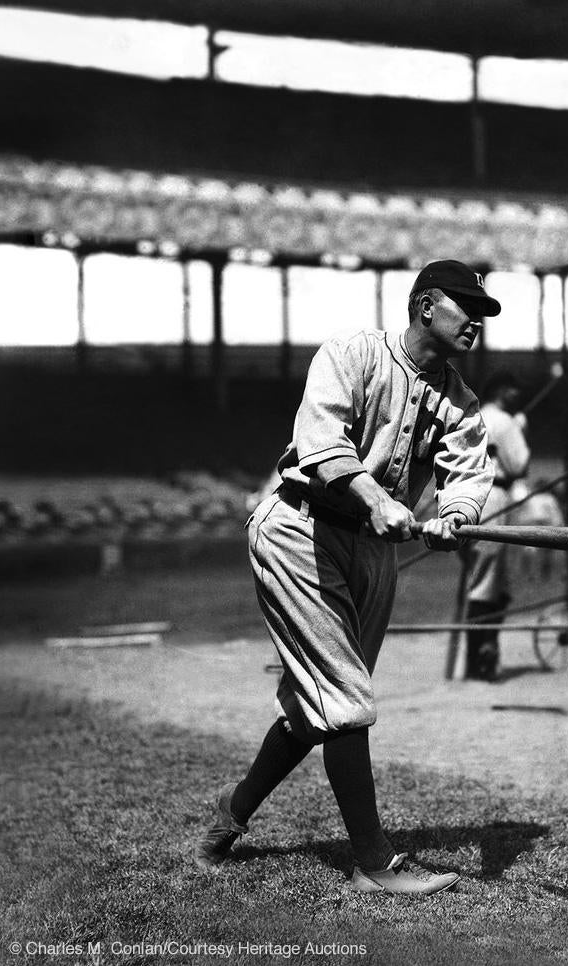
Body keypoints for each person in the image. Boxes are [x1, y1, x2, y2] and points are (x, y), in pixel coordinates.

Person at [195, 259, 500, 895]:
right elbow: (321, 442)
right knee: (345, 694)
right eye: (464, 307)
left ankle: (232, 810)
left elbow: (470, 471)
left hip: (371, 550)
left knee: (319, 711)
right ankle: (374, 863)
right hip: (299, 529)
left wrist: (456, 515)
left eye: (482, 311)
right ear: (424, 306)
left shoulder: (461, 399)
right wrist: (377, 498)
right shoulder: (351, 353)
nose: (476, 320)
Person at [462, 371, 530, 681]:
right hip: (494, 497)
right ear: (502, 391)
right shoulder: (504, 421)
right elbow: (520, 465)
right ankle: (480, 659)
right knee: (489, 584)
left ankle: (482, 654)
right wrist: (518, 428)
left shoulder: (472, 414)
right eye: (513, 388)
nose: (517, 393)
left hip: (463, 498)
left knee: (486, 581)